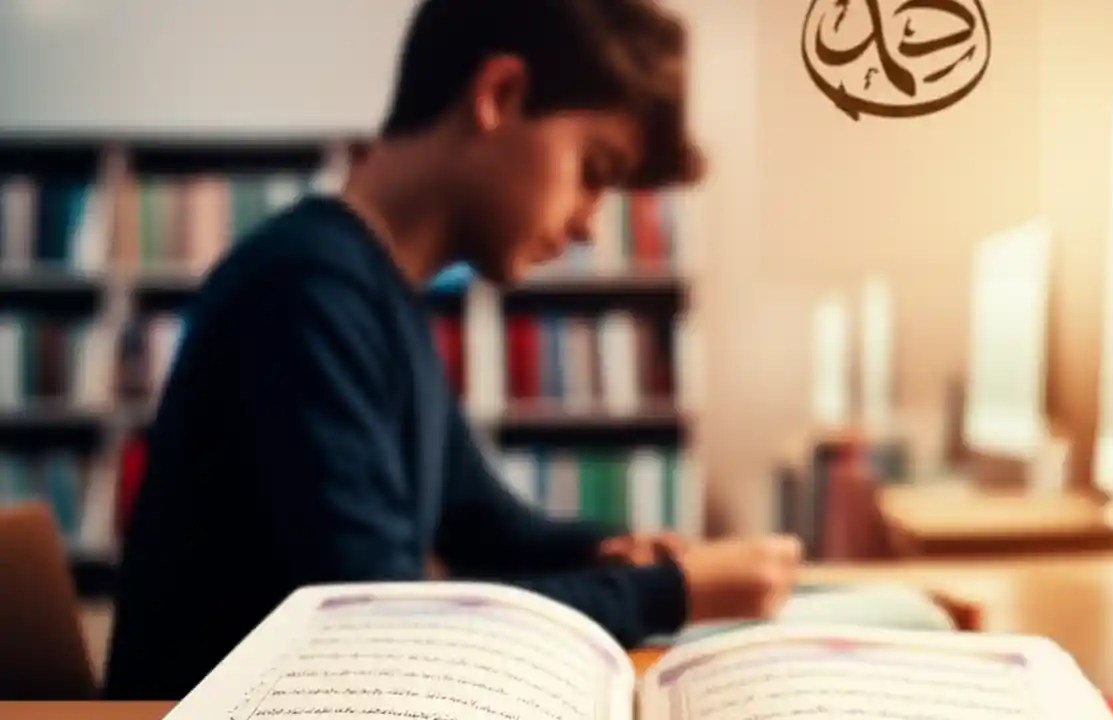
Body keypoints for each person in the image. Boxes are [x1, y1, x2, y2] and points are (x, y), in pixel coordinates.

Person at [104, 0, 801, 700]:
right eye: (594, 169)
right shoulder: (306, 289)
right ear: (498, 96)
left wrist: (610, 549)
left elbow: (486, 523)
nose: (591, 225)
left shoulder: (376, 288)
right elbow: (380, 619)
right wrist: (665, 594)